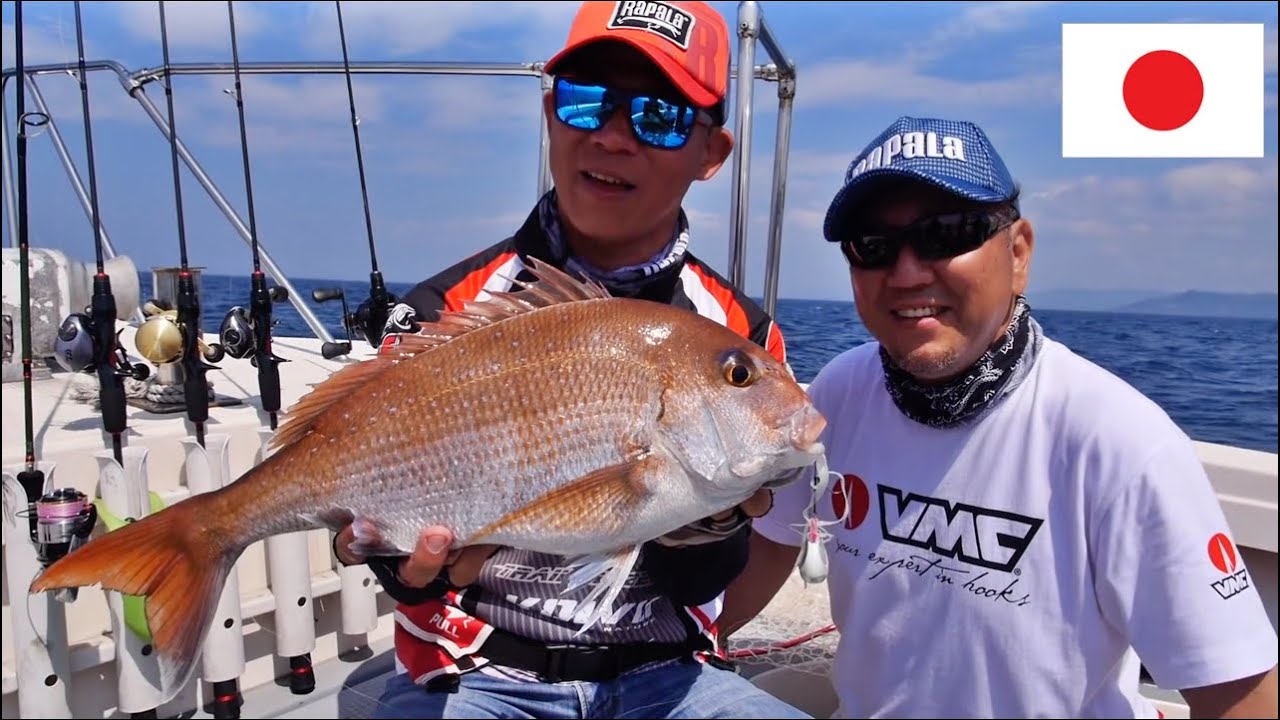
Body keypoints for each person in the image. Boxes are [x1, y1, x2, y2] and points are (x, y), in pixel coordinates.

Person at [331, 2, 810, 718]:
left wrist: (712, 521)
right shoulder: (450, 309)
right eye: (589, 102)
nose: (614, 138)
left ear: (711, 154)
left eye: (659, 116)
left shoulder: (738, 337)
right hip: (475, 674)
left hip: (668, 678)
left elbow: (704, 581)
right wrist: (403, 568)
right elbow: (398, 549)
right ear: (553, 114)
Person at [719, 115, 1280, 718]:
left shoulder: (1118, 440)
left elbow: (1239, 694)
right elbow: (773, 546)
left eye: (946, 234)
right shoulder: (840, 392)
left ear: (1018, 253)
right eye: (873, 246)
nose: (907, 273)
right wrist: (653, 649)